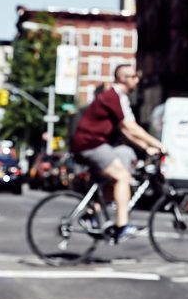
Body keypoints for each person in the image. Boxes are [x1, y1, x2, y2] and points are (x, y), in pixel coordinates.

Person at [71, 65, 167, 241]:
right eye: (134, 76)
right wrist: (159, 144)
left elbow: (126, 132)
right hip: (90, 144)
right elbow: (130, 127)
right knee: (123, 177)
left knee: (115, 178)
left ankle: (91, 215)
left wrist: (146, 148)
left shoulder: (118, 98)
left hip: (94, 143)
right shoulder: (113, 97)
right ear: (123, 78)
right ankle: (122, 226)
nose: (137, 80)